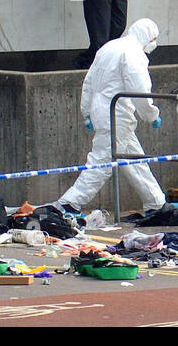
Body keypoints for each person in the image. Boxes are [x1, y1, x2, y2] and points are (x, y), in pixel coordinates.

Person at [59, 19, 166, 214]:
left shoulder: (110, 47)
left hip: (102, 111)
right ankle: (70, 202)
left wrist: (87, 113)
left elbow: (89, 81)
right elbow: (140, 90)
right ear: (146, 36)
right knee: (102, 161)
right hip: (118, 115)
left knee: (133, 159)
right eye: (154, 39)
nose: (154, 43)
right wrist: (151, 115)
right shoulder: (133, 54)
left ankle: (156, 201)